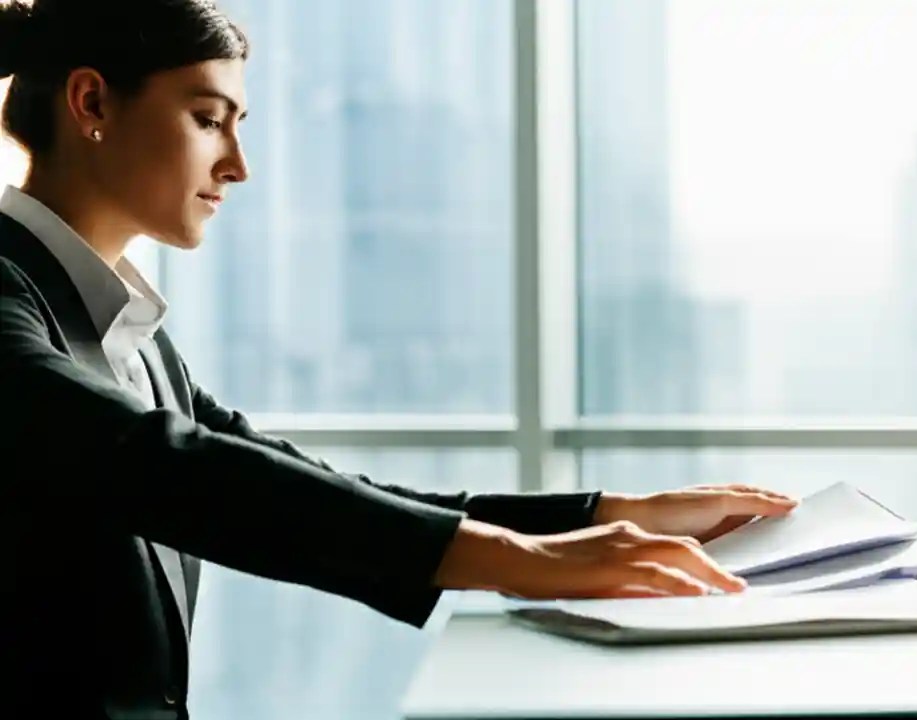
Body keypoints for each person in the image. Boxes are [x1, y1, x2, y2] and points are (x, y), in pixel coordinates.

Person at [0, 1, 799, 717]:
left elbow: (301, 484)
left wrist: (604, 516)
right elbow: (172, 469)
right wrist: (521, 562)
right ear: (92, 102)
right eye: (210, 119)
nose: (238, 164)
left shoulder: (127, 332)